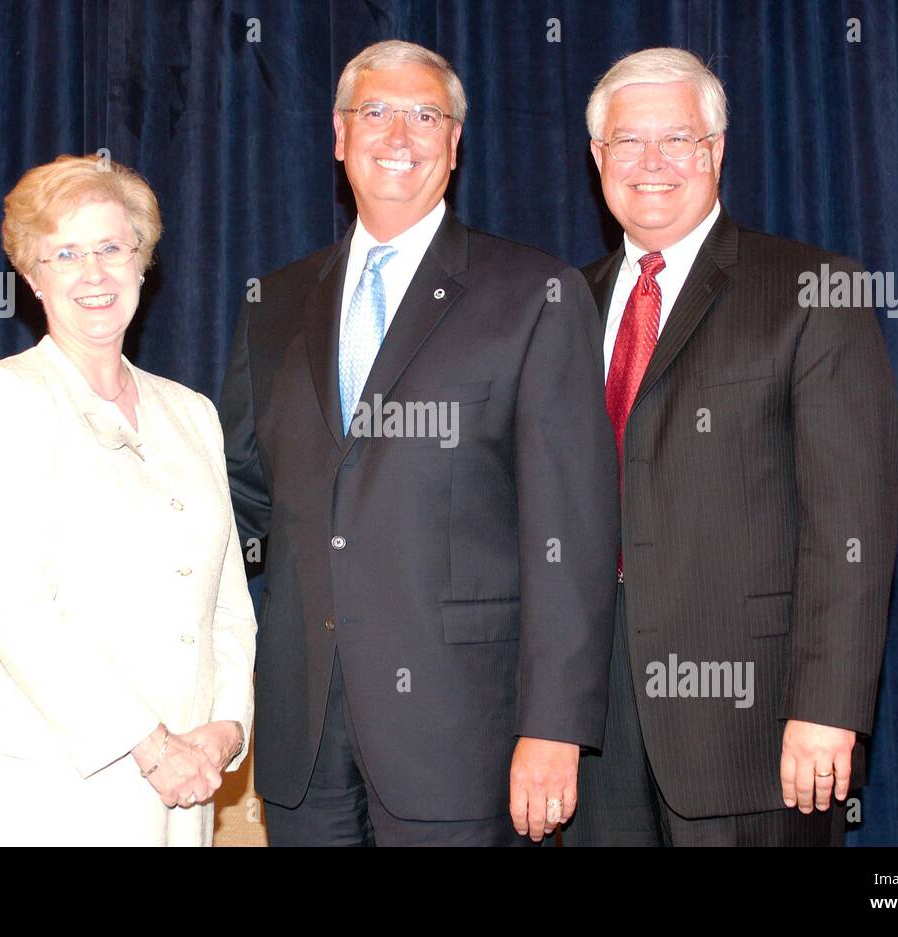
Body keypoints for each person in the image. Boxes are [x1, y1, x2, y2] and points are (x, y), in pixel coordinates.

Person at [220, 40, 618, 845]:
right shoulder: (275, 300)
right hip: (303, 736)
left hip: (465, 737)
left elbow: (570, 533)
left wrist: (554, 726)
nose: (398, 134)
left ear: (456, 142)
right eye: (376, 111)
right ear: (338, 135)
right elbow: (240, 500)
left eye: (425, 115)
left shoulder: (534, 295)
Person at [563, 48, 898, 847]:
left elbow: (850, 527)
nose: (650, 164)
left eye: (677, 139)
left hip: (754, 730)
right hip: (594, 730)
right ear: (596, 159)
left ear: (716, 151)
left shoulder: (813, 290)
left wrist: (827, 708)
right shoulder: (562, 308)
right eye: (626, 142)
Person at [0, 154, 256, 846]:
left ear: (142, 262)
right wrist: (150, 745)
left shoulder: (192, 412)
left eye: (113, 247)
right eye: (66, 252)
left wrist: (227, 725)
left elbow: (229, 604)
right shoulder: (5, 396)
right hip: (59, 772)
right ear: (33, 276)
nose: (95, 272)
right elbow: (16, 609)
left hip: (187, 773)